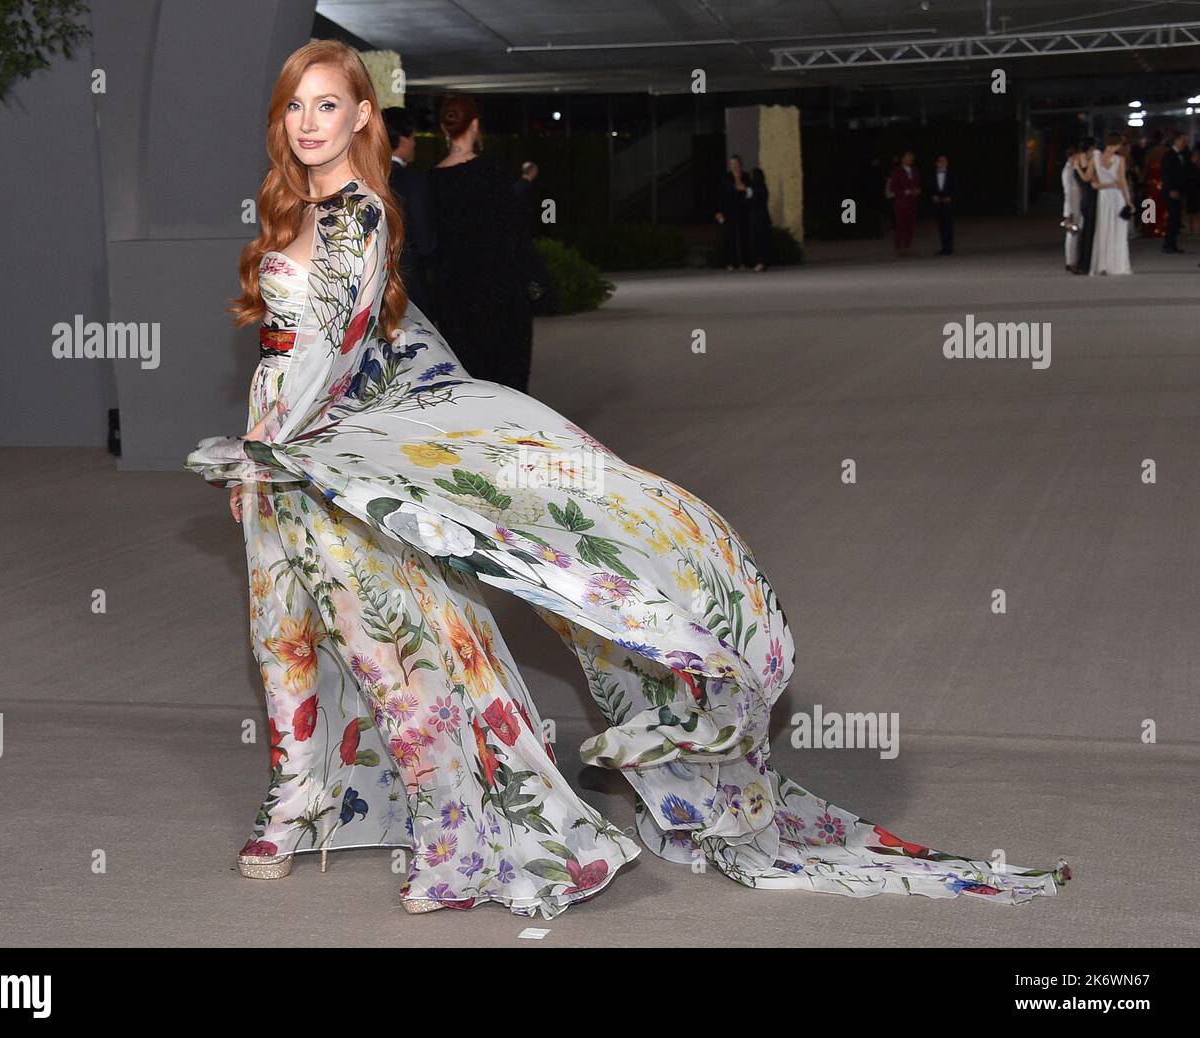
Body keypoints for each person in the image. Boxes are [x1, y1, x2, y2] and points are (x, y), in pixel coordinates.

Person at [185, 40, 1073, 918]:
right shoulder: (290, 204)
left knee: (389, 650)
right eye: (295, 107)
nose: (308, 123)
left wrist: (264, 445)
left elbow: (332, 357)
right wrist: (264, 447)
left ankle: (454, 832)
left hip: (322, 453)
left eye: (327, 105)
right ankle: (296, 799)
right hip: (286, 445)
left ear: (362, 116)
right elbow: (369, 344)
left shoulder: (362, 216)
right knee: (279, 627)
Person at [428, 95, 536, 393]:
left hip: (455, 292)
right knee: (507, 373)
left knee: (466, 371)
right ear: (475, 125)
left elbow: (431, 242)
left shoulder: (431, 180)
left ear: (443, 128)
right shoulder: (494, 170)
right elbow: (514, 230)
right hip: (500, 289)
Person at [382, 107, 437, 322]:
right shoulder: (414, 183)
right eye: (413, 137)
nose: (415, 143)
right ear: (403, 139)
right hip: (408, 291)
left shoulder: (362, 178)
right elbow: (426, 244)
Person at [1089, 132, 1133, 276]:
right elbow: (1122, 181)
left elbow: (1089, 177)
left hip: (1104, 198)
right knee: (1118, 230)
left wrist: (1098, 184)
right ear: (1117, 144)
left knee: (1103, 228)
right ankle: (1117, 265)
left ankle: (1102, 265)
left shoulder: (1096, 157)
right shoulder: (1120, 159)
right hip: (1117, 197)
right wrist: (1128, 201)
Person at [713, 154, 751, 269]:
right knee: (730, 237)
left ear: (740, 164)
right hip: (729, 211)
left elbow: (751, 192)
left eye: (735, 163)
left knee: (744, 236)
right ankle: (730, 262)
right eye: (731, 164)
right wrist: (719, 211)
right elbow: (721, 195)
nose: (733, 166)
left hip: (743, 211)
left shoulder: (746, 176)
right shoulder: (726, 178)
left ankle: (743, 262)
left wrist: (745, 189)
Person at [1073, 137, 1100, 275]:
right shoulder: (1091, 162)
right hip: (1093, 199)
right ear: (1090, 148)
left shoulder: (1075, 159)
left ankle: (1081, 262)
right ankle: (1086, 263)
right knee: (1090, 232)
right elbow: (1088, 179)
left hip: (1084, 200)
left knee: (1085, 232)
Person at [888, 150, 920, 255]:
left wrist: (917, 190)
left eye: (911, 158)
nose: (910, 160)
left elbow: (917, 184)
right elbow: (892, 187)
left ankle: (907, 247)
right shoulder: (897, 171)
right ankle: (898, 247)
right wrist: (905, 191)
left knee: (910, 226)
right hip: (901, 202)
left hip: (912, 202)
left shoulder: (915, 171)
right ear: (903, 159)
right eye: (908, 157)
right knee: (900, 225)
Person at [1160, 131, 1187, 253]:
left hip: (1179, 190)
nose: (1184, 143)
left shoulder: (1182, 154)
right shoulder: (1169, 155)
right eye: (1182, 140)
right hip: (1172, 191)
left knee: (1176, 218)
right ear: (1176, 141)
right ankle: (1169, 244)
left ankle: (1172, 243)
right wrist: (1171, 189)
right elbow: (1166, 174)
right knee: (1173, 217)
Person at [1060, 147, 1081, 272]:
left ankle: (1072, 260)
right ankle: (1070, 261)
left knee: (1073, 234)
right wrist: (1069, 212)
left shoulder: (1071, 169)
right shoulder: (1068, 171)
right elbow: (1068, 192)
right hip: (1072, 206)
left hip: (1075, 205)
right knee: (1072, 234)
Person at [747, 167, 772, 271]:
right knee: (763, 240)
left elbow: (749, 202)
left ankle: (759, 262)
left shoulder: (751, 188)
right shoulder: (764, 187)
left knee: (756, 240)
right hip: (764, 216)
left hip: (756, 217)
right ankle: (762, 262)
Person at [929, 154, 955, 255]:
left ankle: (949, 248)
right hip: (938, 204)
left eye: (944, 161)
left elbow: (956, 187)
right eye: (940, 161)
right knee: (941, 226)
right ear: (936, 163)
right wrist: (933, 195)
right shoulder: (932, 174)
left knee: (949, 225)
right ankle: (944, 247)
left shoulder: (951, 173)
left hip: (948, 203)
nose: (942, 162)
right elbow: (930, 187)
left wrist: (950, 197)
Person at [1185, 147, 1200, 235]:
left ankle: (1196, 227)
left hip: (1197, 188)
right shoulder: (1188, 164)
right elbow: (1186, 176)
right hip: (1191, 189)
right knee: (1191, 210)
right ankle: (1192, 228)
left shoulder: (1197, 164)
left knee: (1197, 209)